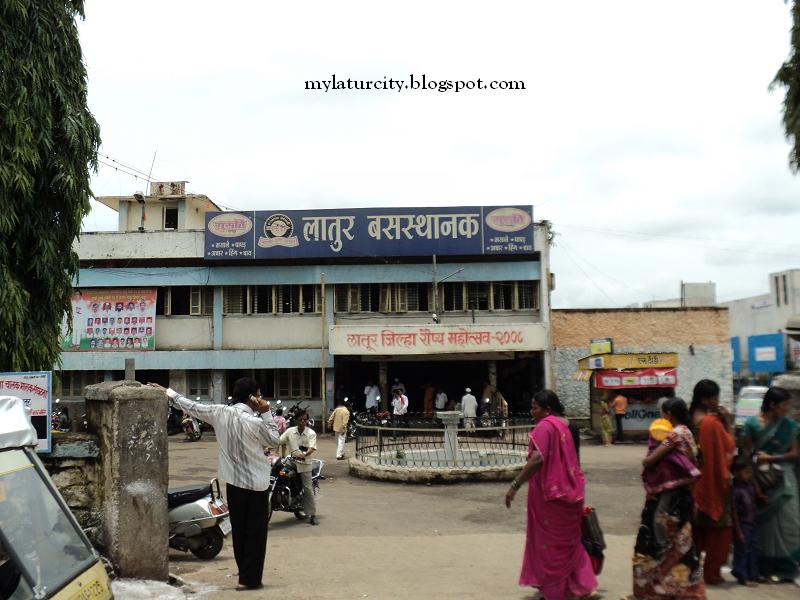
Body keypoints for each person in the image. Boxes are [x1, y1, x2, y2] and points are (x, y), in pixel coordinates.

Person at [148, 378, 280, 591]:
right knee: (255, 533)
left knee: (239, 531)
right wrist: (266, 412)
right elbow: (275, 440)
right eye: (259, 395)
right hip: (257, 484)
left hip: (234, 484)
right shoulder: (255, 422)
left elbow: (191, 406)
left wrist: (168, 392)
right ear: (253, 398)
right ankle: (250, 579)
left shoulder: (219, 412)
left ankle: (243, 577)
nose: (262, 399)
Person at [505, 390, 597, 600]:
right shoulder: (568, 425)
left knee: (550, 545)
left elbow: (537, 460)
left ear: (547, 409)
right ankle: (585, 586)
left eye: (535, 407)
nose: (532, 411)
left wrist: (514, 485)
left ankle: (555, 589)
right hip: (571, 490)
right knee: (571, 542)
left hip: (550, 495)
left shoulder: (545, 427)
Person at [631, 397, 704, 599]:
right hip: (684, 494)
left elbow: (651, 461)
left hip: (670, 493)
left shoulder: (674, 434)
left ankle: (656, 588)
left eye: (663, 413)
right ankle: (684, 589)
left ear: (669, 414)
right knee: (683, 542)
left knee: (657, 533)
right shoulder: (688, 432)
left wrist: (646, 459)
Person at [741, 386, 800, 583]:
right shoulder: (751, 424)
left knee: (789, 524)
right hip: (761, 481)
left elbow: (795, 453)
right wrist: (754, 474)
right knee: (763, 527)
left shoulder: (790, 426)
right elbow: (746, 454)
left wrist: (772, 457)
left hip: (785, 482)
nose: (787, 408)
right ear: (772, 404)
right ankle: (763, 567)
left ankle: (787, 567)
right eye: (784, 404)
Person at [690, 378, 735, 585]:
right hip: (713, 481)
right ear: (705, 399)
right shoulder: (711, 422)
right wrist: (729, 423)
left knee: (695, 531)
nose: (718, 401)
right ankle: (711, 573)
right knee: (720, 531)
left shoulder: (690, 420)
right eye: (715, 397)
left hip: (692, 482)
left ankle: (692, 572)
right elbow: (729, 447)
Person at [279, 412, 318, 525]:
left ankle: (312, 514)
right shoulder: (290, 431)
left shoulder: (311, 433)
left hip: (305, 463)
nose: (302, 422)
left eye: (304, 420)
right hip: (291, 462)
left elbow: (312, 448)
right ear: (296, 420)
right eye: (300, 419)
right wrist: (267, 446)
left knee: (307, 488)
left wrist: (304, 455)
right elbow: (279, 441)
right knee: (280, 475)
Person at [730, 455, 759, 587]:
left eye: (750, 472)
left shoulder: (750, 486)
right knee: (742, 551)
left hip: (752, 524)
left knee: (752, 550)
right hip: (743, 525)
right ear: (736, 473)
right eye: (746, 472)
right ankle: (742, 576)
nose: (749, 475)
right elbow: (734, 512)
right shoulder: (736, 491)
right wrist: (738, 531)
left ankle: (752, 575)